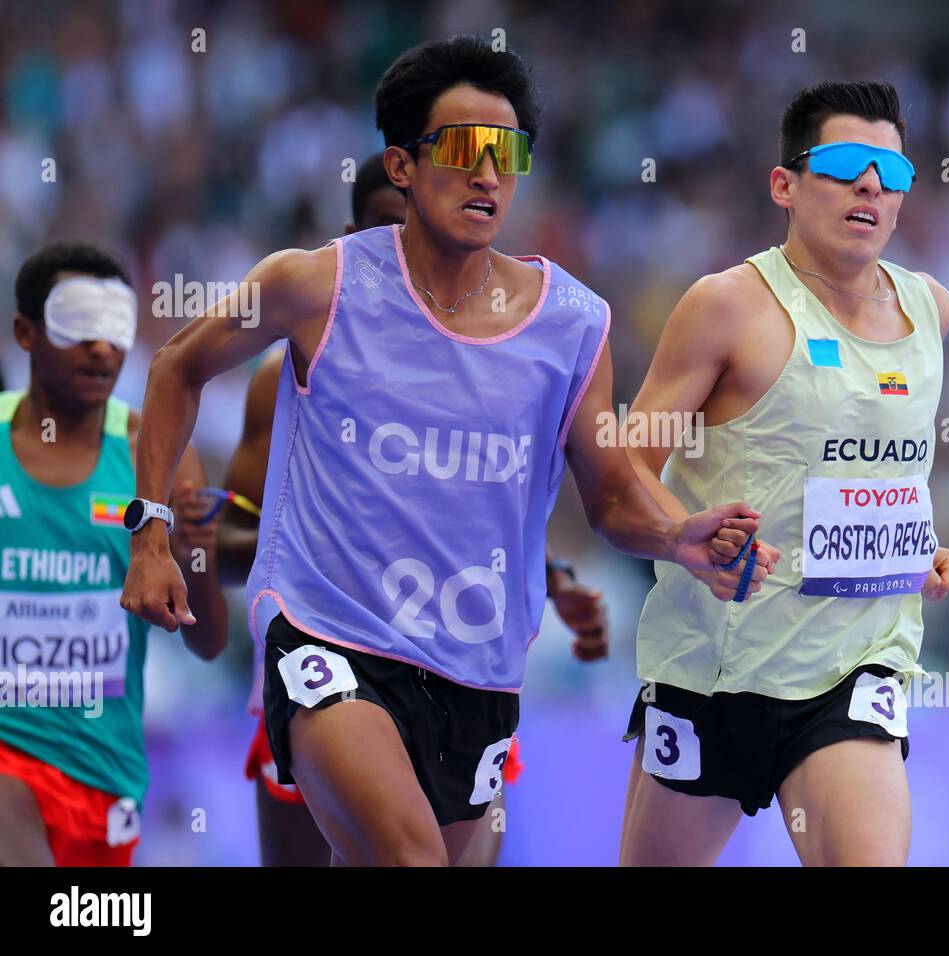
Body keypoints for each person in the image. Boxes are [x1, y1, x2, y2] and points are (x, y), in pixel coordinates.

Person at [120, 35, 767, 867]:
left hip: (477, 673)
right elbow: (176, 366)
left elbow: (609, 495)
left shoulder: (573, 323)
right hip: (330, 638)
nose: (488, 174)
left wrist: (679, 535)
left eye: (507, 154)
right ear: (401, 164)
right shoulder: (318, 286)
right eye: (463, 150)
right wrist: (151, 529)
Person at [218, 152, 609, 866]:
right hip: (331, 654)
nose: (414, 259)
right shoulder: (292, 363)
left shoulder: (497, 354)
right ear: (351, 236)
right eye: (389, 232)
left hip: (459, 665)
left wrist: (552, 575)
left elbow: (477, 512)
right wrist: (179, 537)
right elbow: (233, 537)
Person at [620, 81, 949, 866]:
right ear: (785, 184)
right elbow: (627, 462)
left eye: (892, 172)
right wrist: (681, 538)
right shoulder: (728, 306)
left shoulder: (931, 309)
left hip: (853, 667)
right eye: (845, 165)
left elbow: (881, 462)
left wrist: (920, 545)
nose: (871, 186)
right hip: (715, 668)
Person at [0, 241, 227, 866]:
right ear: (25, 332)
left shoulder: (151, 457)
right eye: (77, 325)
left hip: (103, 769)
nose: (101, 347)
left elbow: (207, 644)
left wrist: (197, 555)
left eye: (115, 327)